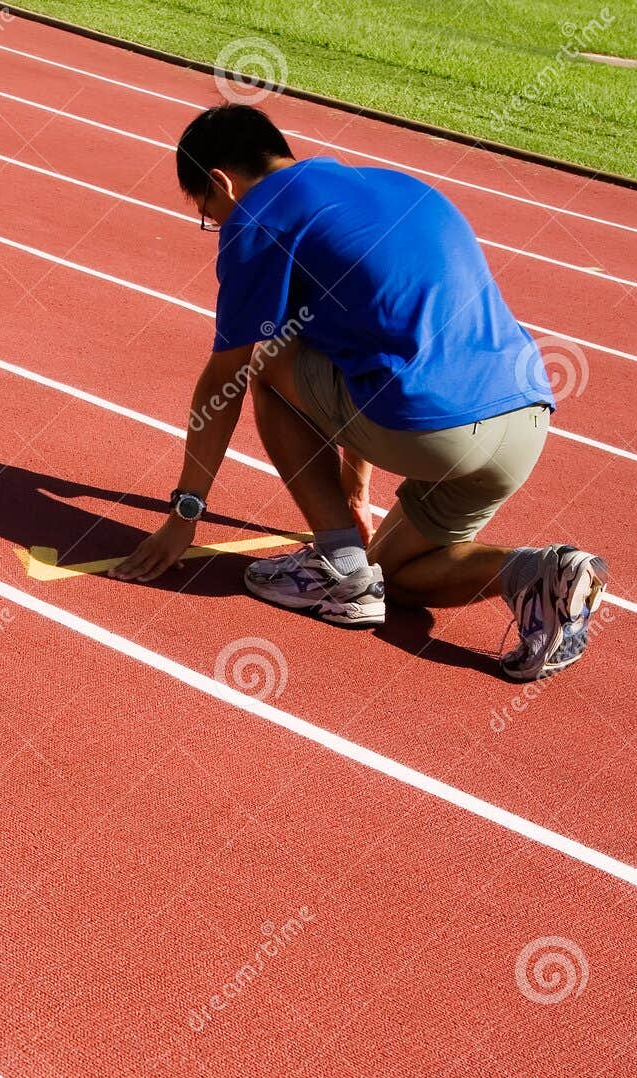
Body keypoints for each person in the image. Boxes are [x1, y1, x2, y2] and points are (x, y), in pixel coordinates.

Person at [112, 104, 607, 680]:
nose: (220, 227)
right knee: (395, 575)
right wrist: (356, 481)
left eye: (210, 213)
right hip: (525, 419)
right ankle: (536, 572)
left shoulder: (261, 216)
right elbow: (371, 335)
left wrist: (186, 512)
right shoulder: (393, 185)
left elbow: (226, 376)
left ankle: (336, 564)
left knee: (266, 357)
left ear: (221, 181)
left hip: (432, 426)